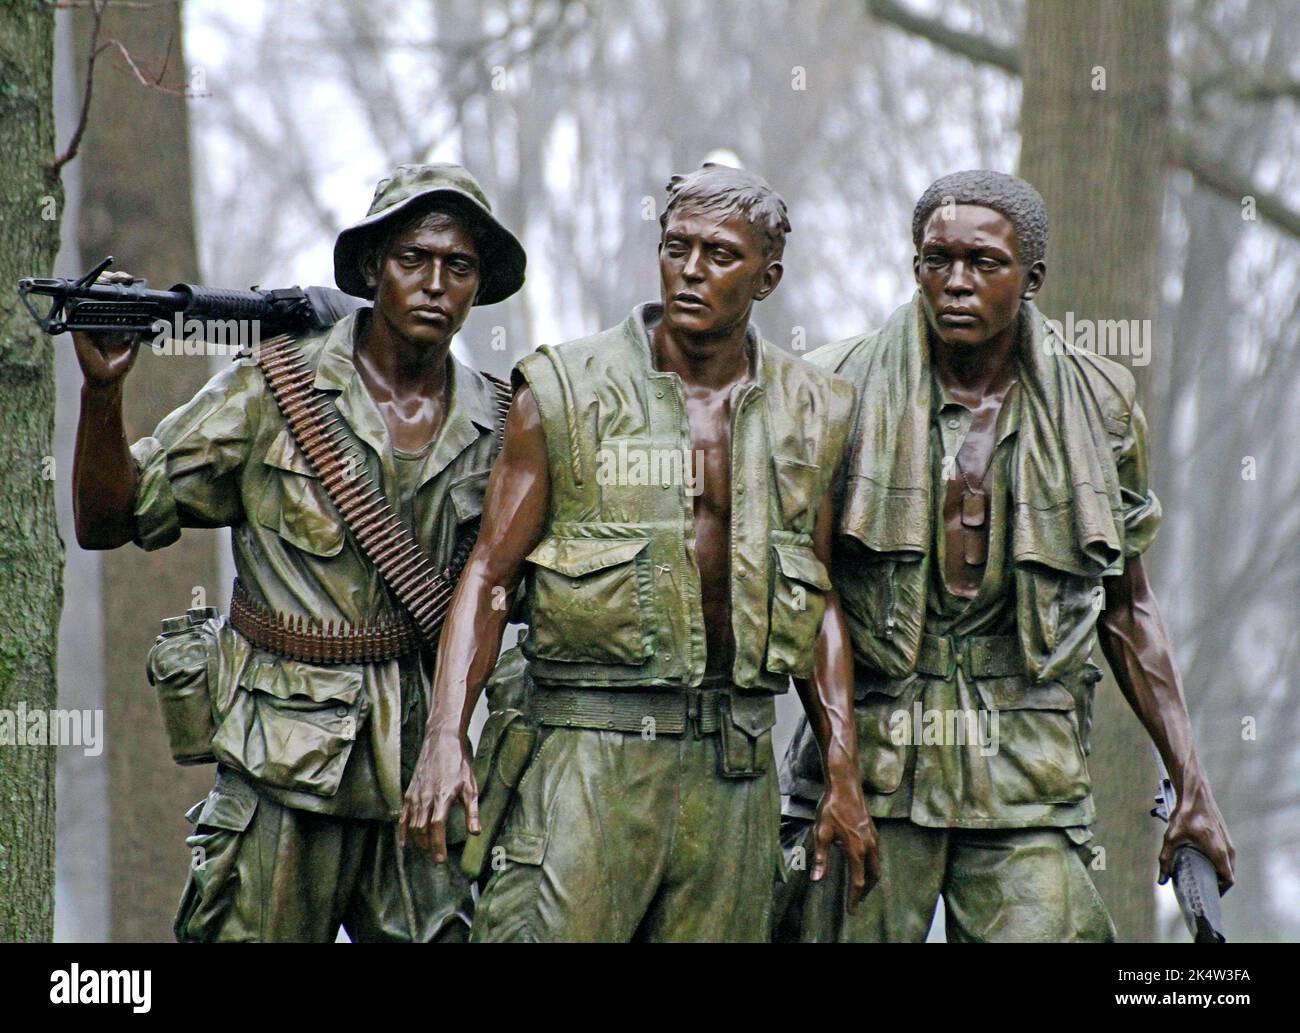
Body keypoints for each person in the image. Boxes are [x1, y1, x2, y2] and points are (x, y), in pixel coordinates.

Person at [401, 163, 878, 941]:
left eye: (721, 254)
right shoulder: (565, 388)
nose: (692, 270)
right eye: (676, 246)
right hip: (590, 751)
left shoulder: (815, 408)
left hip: (734, 760)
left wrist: (842, 769)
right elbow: (490, 570)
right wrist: (446, 737)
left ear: (768, 276)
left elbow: (816, 592)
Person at [70, 163, 526, 942]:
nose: (434, 284)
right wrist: (103, 395)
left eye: (458, 267)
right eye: (413, 258)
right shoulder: (273, 392)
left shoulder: (505, 423)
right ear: (374, 268)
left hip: (419, 771)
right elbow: (109, 517)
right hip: (280, 767)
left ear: (479, 287)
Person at [777, 170, 1234, 943]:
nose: (956, 281)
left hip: (1025, 764)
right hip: (876, 758)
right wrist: (841, 770)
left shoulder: (1099, 405)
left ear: (1031, 279)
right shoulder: (833, 388)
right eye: (936, 259)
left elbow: (1126, 604)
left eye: (983, 262)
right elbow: (805, 588)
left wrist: (1191, 777)